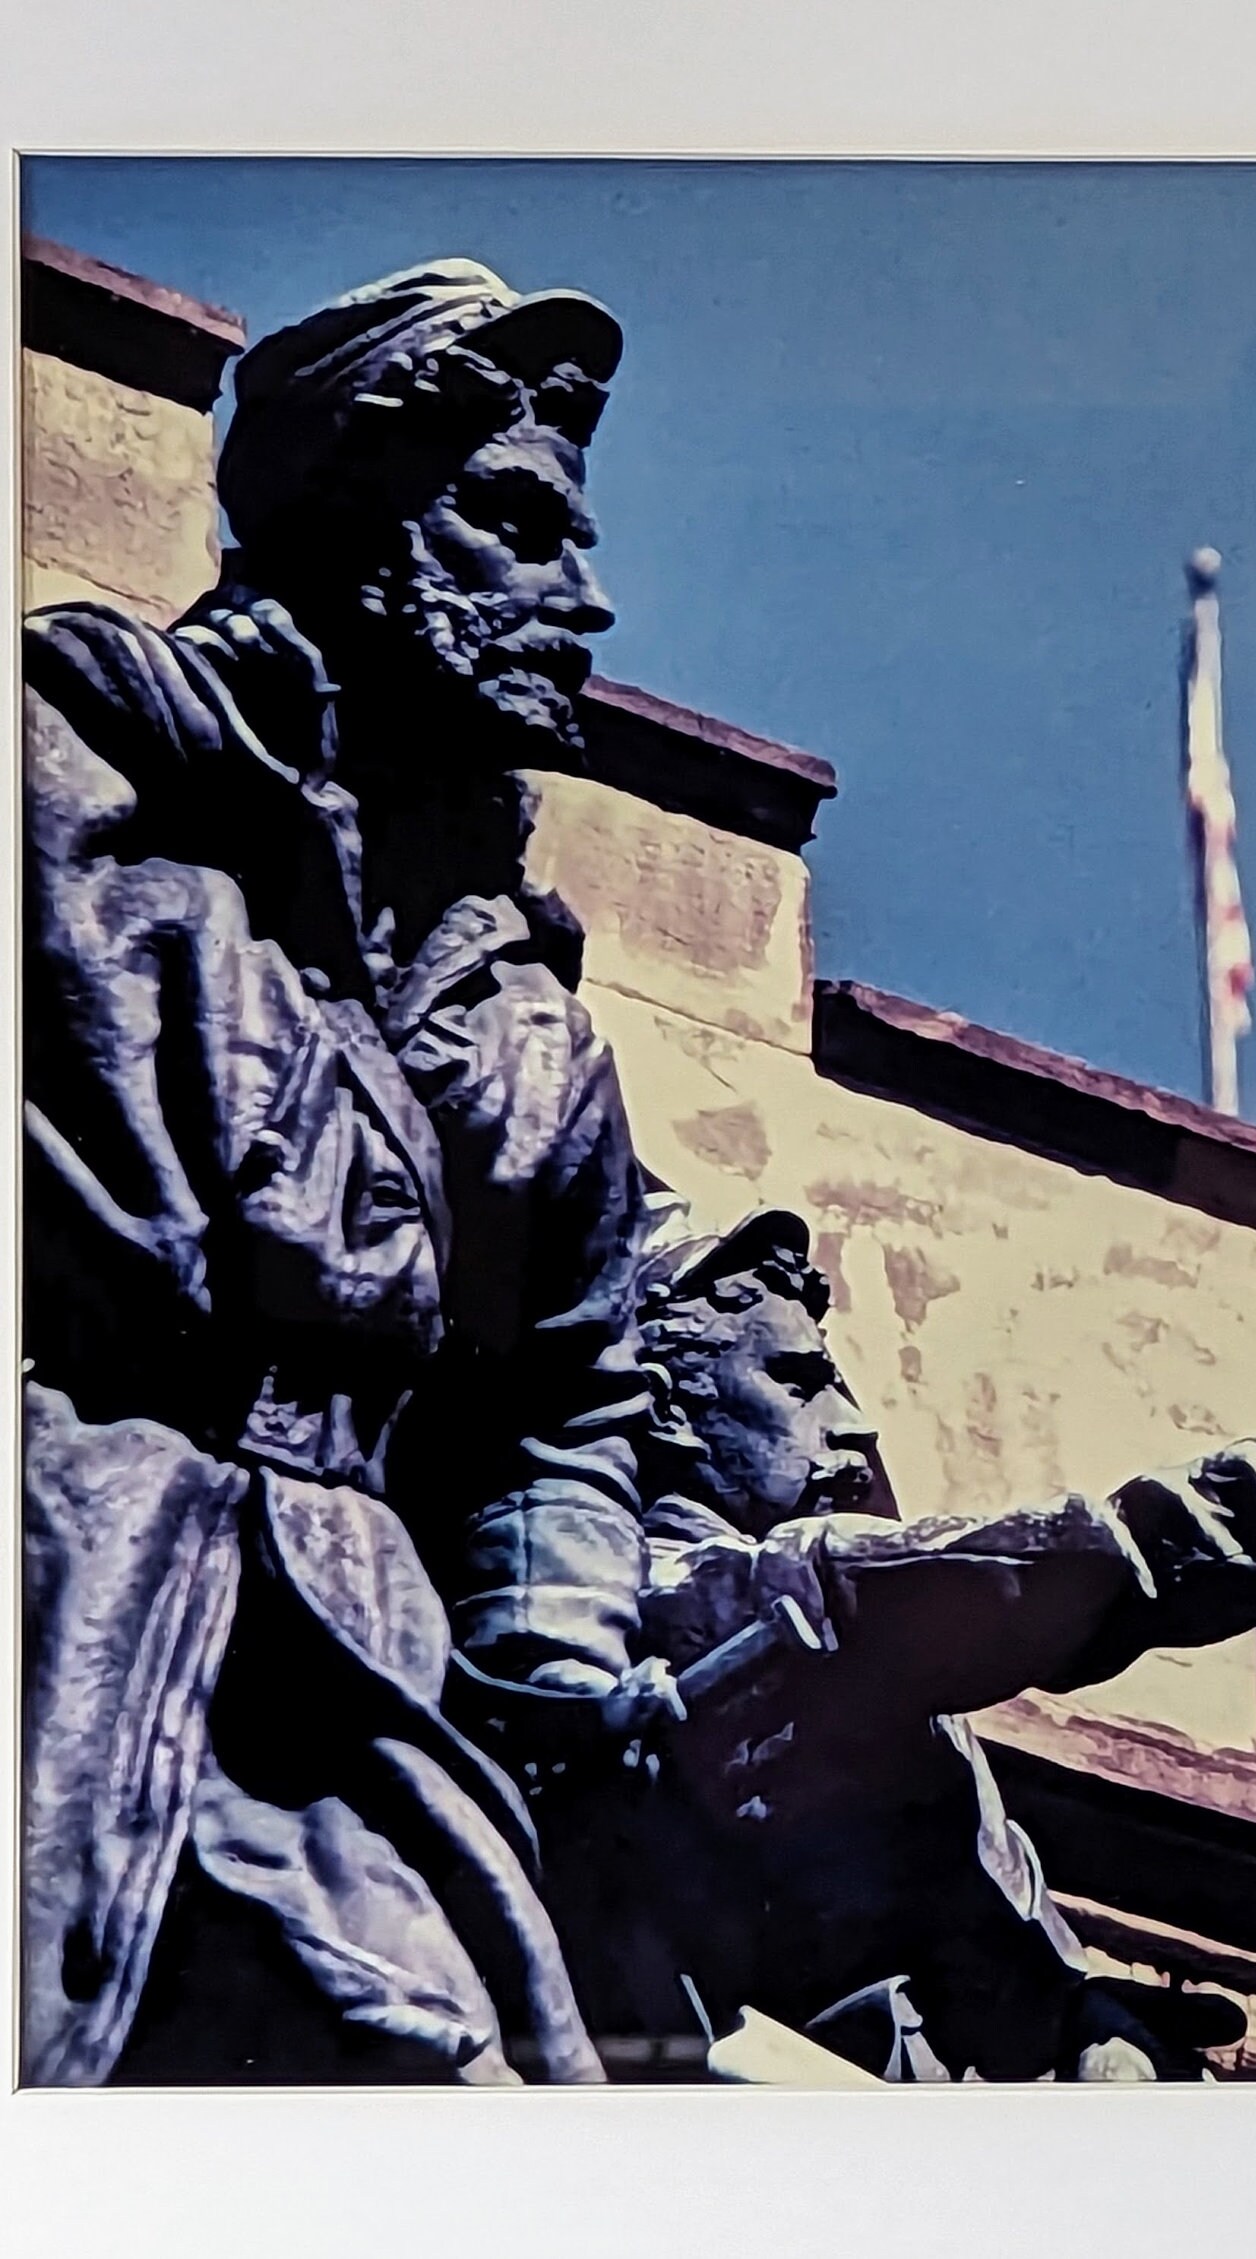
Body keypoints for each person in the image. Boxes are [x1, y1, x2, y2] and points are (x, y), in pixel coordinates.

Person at [25, 261, 667, 2083]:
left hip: (354, 1655)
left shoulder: (526, 1011)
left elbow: (574, 1384)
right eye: (518, 525)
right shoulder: (63, 765)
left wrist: (549, 1632)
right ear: (362, 513)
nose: (587, 596)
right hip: (71, 1546)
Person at [537, 1208, 1256, 2082]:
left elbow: (997, 1969)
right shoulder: (730, 1601)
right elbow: (1138, 1549)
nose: (852, 1421)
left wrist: (1089, 2023)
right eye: (796, 1383)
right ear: (665, 1409)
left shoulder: (881, 1680)